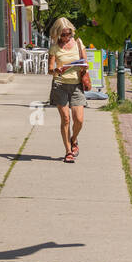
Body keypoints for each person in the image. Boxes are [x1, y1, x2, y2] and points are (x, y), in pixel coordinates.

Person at [48, 16, 88, 163]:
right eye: (63, 34)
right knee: (65, 119)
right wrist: (56, 69)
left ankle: (74, 139)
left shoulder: (78, 43)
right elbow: (50, 69)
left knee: (79, 120)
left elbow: (85, 62)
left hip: (76, 85)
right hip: (60, 85)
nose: (66, 37)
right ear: (58, 33)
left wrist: (83, 65)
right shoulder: (54, 47)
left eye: (69, 33)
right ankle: (68, 151)